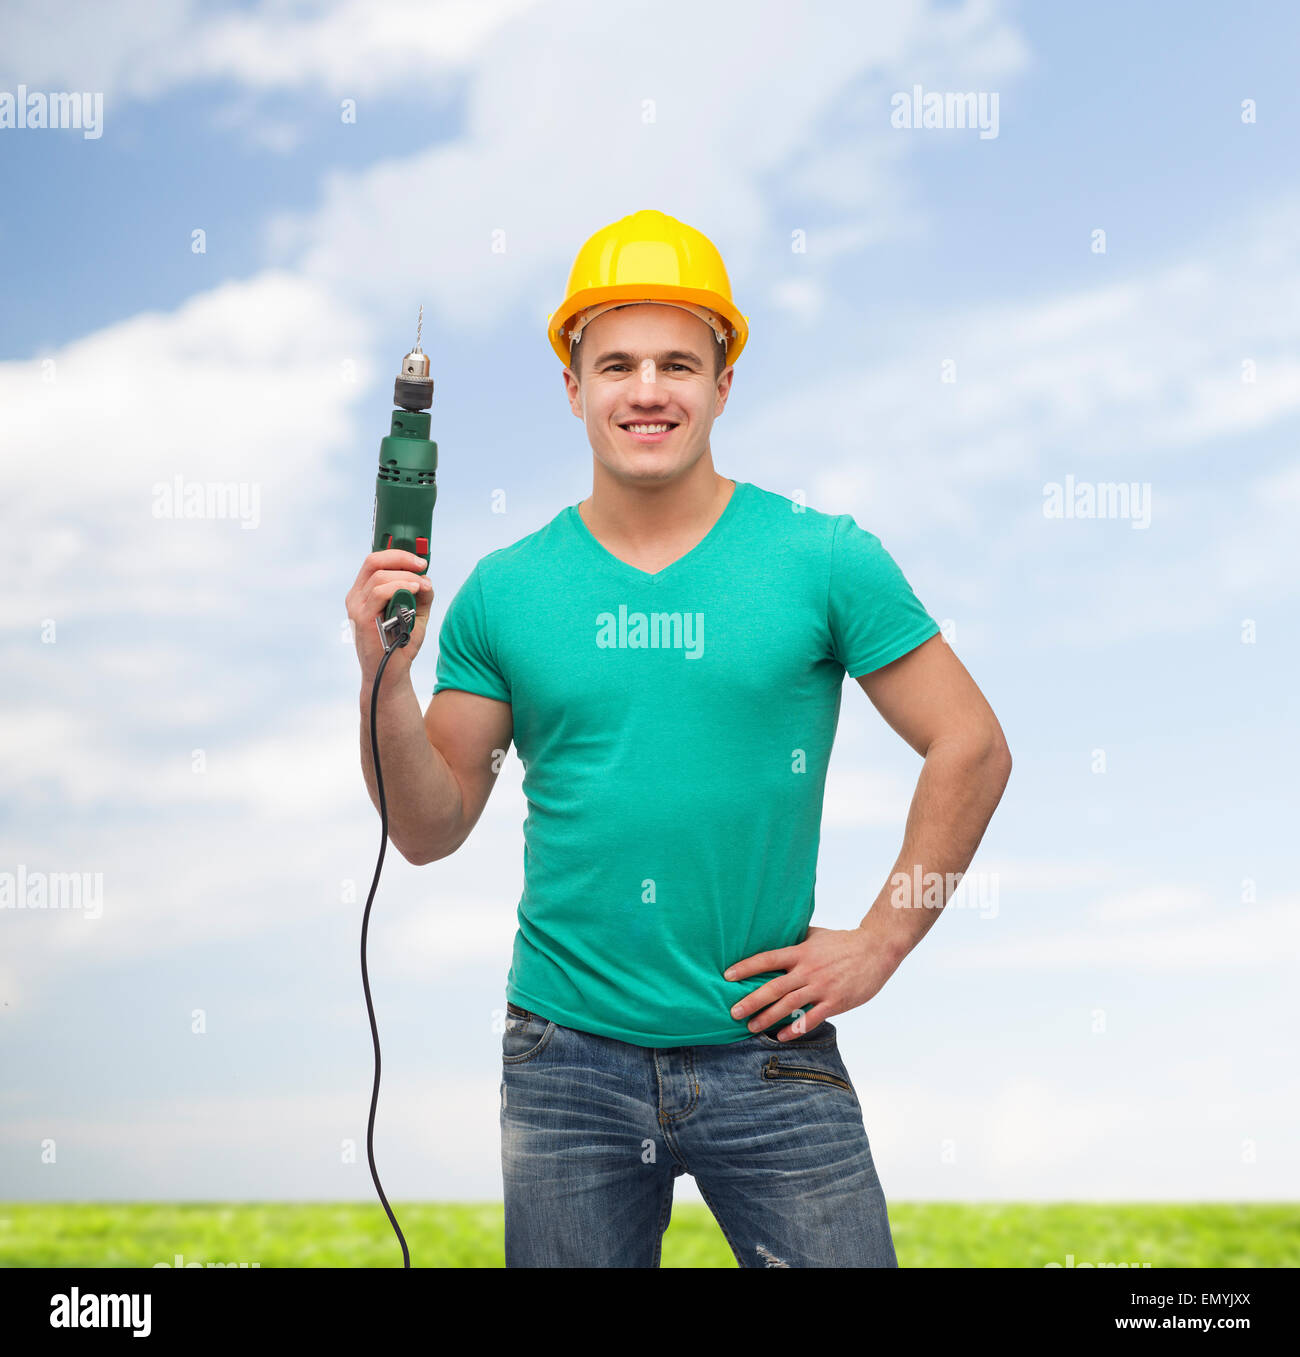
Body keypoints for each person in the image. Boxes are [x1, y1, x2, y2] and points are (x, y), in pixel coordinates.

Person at [348, 209, 1012, 1268]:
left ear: (722, 381)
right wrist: (381, 670)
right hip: (564, 1060)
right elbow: (427, 829)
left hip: (770, 1050)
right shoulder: (505, 592)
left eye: (676, 363)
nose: (646, 389)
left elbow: (970, 744)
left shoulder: (823, 558)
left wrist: (883, 938)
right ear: (572, 388)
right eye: (614, 364)